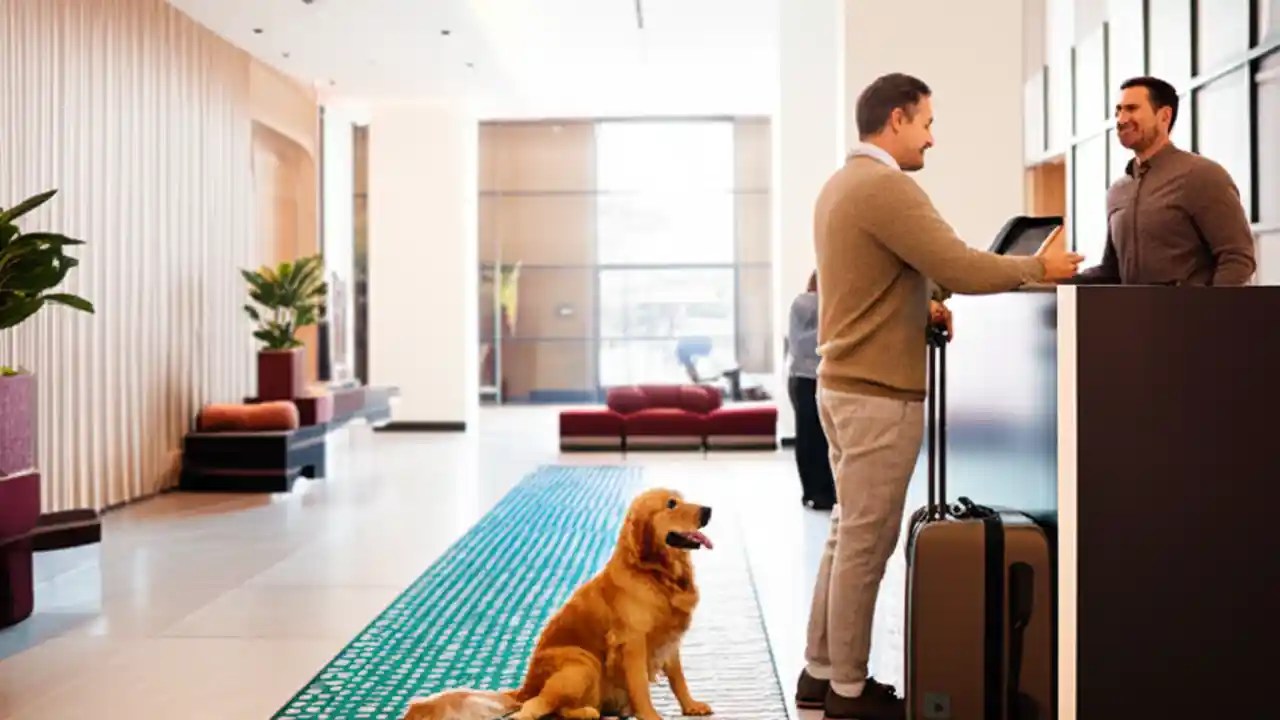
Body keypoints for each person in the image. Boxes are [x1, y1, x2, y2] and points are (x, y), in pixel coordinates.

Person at [795, 72, 1082, 720]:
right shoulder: (887, 187)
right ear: (896, 120)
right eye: (926, 122)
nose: (932, 136)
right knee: (866, 546)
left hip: (841, 388)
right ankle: (848, 691)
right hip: (877, 397)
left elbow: (877, 281)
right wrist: (1043, 267)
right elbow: (960, 265)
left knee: (847, 536)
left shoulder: (840, 185)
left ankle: (819, 674)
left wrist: (921, 305)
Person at [1071, 75, 1256, 286]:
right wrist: (1048, 277)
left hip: (1189, 317)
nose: (1121, 120)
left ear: (1164, 116)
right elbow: (1112, 270)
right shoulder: (1117, 190)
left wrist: (1210, 315)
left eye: (1131, 109)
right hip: (1132, 317)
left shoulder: (1202, 175)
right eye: (1118, 110)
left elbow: (1237, 258)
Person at [786, 271, 836, 511]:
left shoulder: (807, 304)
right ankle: (818, 492)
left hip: (806, 378)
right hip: (807, 379)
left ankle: (818, 491)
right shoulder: (807, 302)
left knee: (815, 437)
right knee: (812, 437)